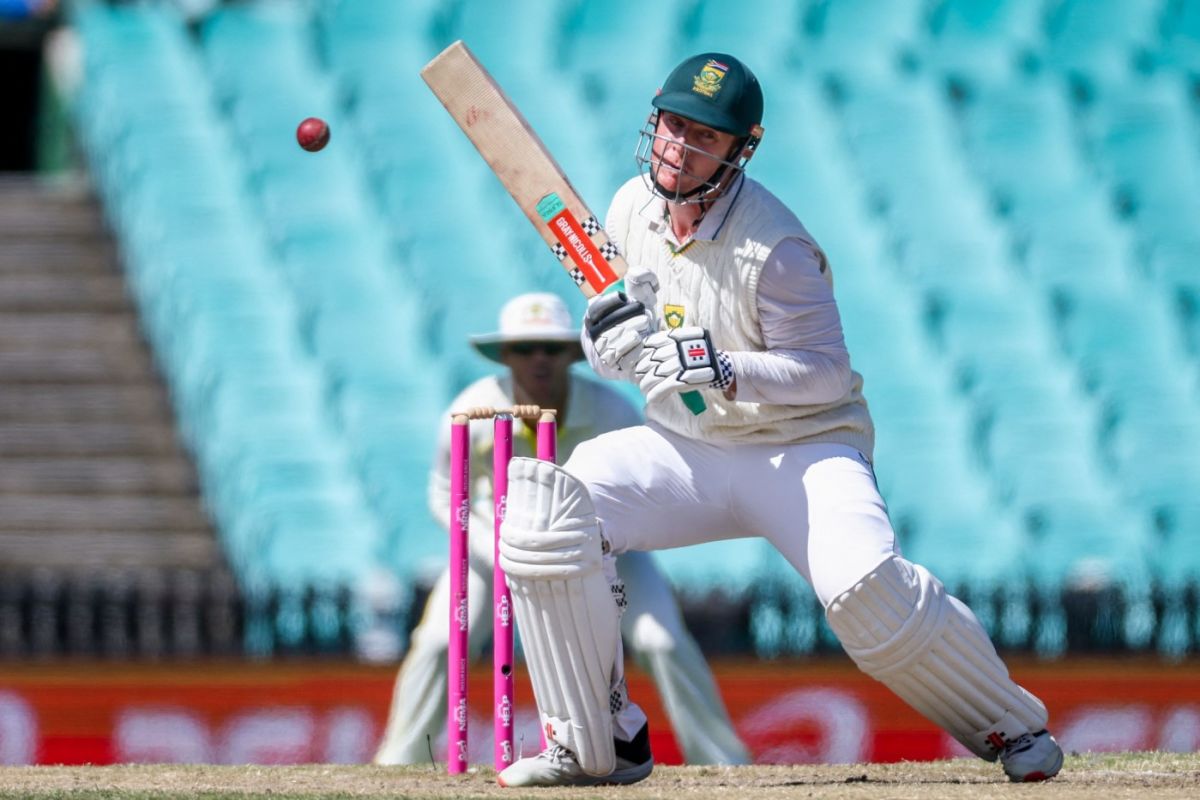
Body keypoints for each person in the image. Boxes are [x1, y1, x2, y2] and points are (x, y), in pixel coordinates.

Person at [492, 54, 1065, 787]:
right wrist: (603, 345)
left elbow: (824, 370)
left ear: (741, 147)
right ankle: (598, 743)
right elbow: (623, 339)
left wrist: (725, 366)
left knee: (864, 592)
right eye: (673, 126)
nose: (679, 147)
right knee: (548, 516)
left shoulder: (777, 247)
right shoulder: (630, 209)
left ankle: (1012, 727)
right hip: (687, 449)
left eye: (704, 136)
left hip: (802, 450)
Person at [373, 291, 750, 767]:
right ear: (505, 355)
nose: (538, 360)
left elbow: (647, 489)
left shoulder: (611, 413)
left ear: (572, 355)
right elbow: (444, 494)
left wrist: (596, 541)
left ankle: (722, 762)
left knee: (662, 640)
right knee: (442, 639)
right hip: (495, 544)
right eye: (524, 348)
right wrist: (491, 547)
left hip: (604, 545)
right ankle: (401, 762)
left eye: (551, 348)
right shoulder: (473, 411)